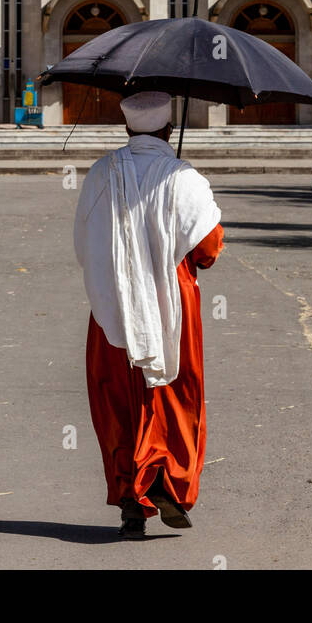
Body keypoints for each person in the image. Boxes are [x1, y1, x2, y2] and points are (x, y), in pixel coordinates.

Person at [73, 90, 224, 540]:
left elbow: (84, 244)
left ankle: (129, 502)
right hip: (171, 300)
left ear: (126, 128)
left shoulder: (102, 172)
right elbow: (208, 249)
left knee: (118, 398)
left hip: (113, 300)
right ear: (169, 130)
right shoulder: (184, 177)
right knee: (174, 394)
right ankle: (166, 483)